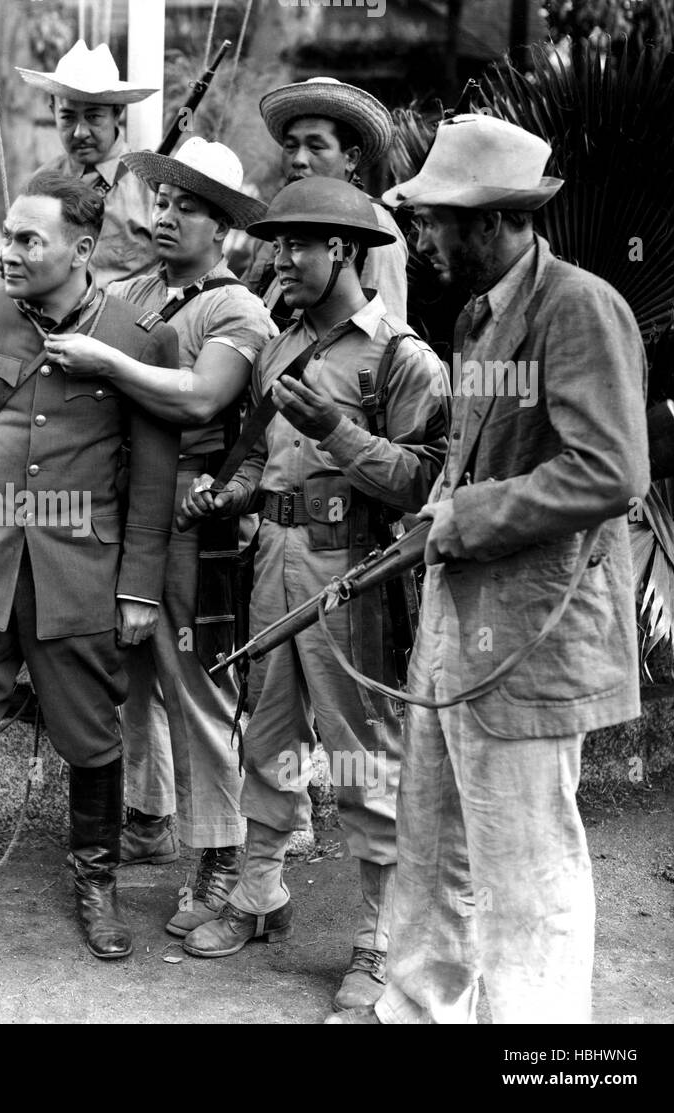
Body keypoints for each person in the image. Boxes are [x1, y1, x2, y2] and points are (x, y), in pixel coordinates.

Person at [330, 114, 649, 1024]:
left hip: (534, 638)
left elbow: (610, 470)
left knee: (529, 867)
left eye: (435, 220)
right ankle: (419, 1008)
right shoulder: (478, 316)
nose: (421, 239)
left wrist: (466, 517)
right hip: (457, 624)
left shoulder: (577, 307)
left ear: (495, 220)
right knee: (431, 843)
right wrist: (439, 511)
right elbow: (470, 467)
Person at [178, 177, 447, 1012]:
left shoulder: (401, 356)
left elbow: (426, 484)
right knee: (269, 730)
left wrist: (339, 431)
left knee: (365, 754)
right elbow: (259, 456)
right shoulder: (278, 342)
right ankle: (260, 892)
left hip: (355, 575)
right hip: (275, 561)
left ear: (342, 251)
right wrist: (231, 493)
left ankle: (379, 937)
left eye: (298, 244)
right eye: (275, 242)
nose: (279, 257)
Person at [0, 171, 180, 961]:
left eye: (30, 239)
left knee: (91, 735)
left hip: (78, 574)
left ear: (81, 249)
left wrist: (136, 586)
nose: (8, 251)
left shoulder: (139, 339)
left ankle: (96, 884)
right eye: (6, 235)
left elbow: (154, 477)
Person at [50, 136, 276, 936]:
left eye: (191, 207)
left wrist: (105, 360)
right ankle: (149, 813)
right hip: (123, 502)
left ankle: (222, 852)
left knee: (197, 682)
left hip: (191, 509)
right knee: (132, 669)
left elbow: (198, 398)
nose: (169, 216)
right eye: (166, 201)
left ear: (225, 229)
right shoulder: (132, 287)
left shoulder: (235, 308)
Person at [248, 78, 407, 325]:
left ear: (351, 158)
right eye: (291, 147)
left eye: (315, 147)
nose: (298, 159)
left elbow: (383, 336)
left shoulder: (372, 227)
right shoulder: (277, 222)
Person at [18, 39, 158, 285]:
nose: (80, 132)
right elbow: (32, 255)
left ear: (118, 112)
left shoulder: (152, 185)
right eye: (68, 117)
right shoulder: (41, 185)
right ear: (52, 111)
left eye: (93, 117)